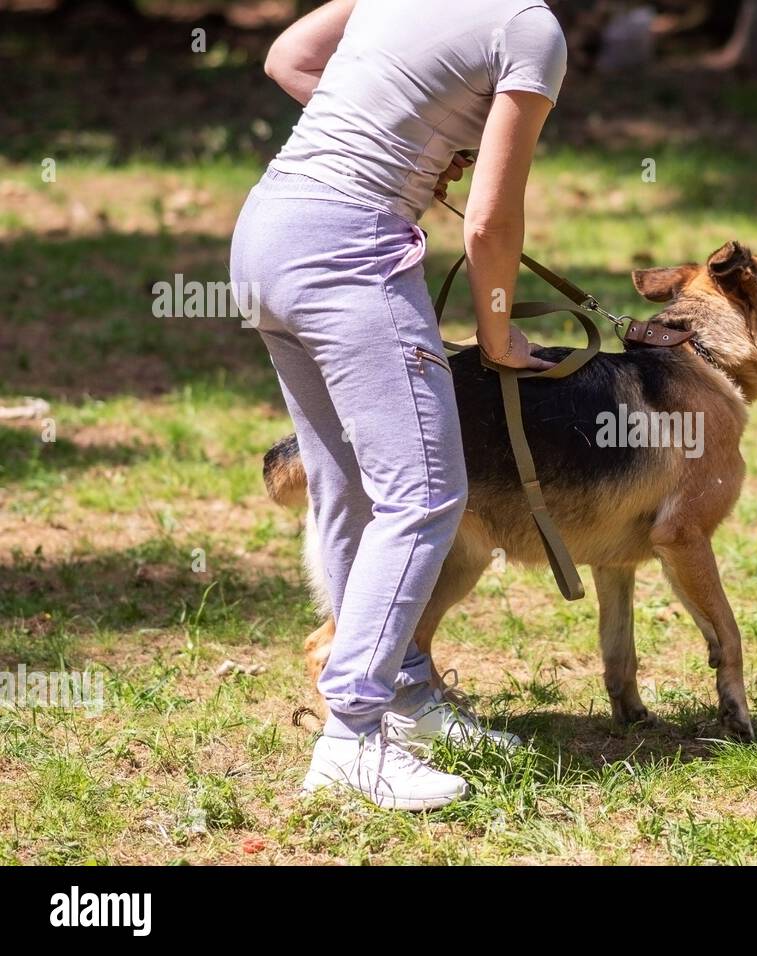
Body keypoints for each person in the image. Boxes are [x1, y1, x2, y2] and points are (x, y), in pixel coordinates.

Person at [228, 0, 566, 811]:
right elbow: (490, 220)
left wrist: (403, 140)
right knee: (425, 495)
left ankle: (404, 696)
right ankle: (353, 733)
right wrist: (496, 334)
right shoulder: (530, 27)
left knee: (348, 483)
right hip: (349, 251)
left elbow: (288, 58)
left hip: (268, 232)